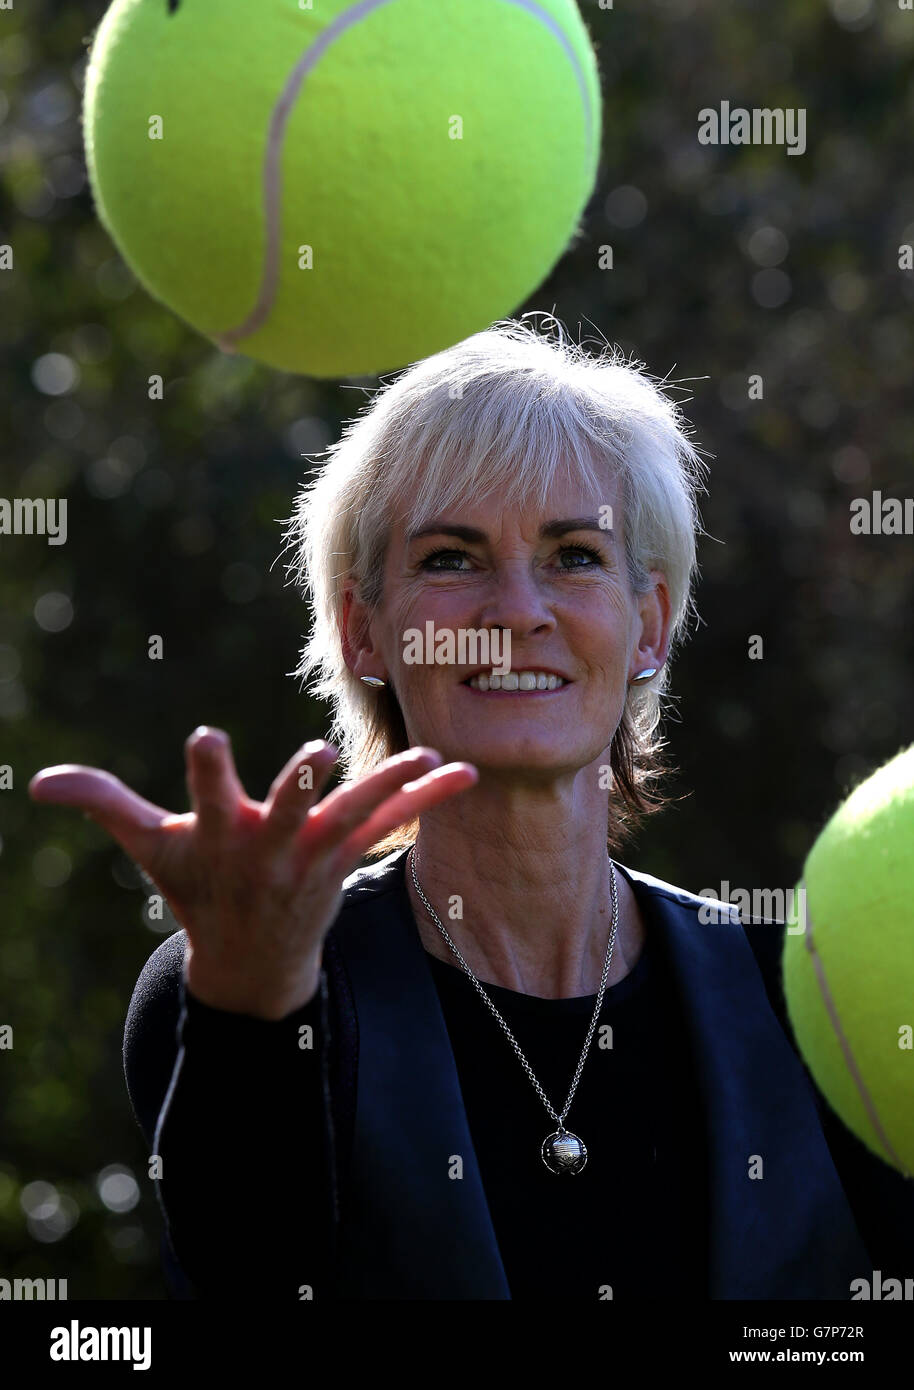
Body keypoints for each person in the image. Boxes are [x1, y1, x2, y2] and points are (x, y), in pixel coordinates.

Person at [30, 316, 914, 1300]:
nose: (516, 609)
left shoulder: (798, 988)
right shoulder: (255, 981)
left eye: (574, 554)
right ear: (364, 632)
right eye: (450, 558)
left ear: (649, 627)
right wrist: (246, 1010)